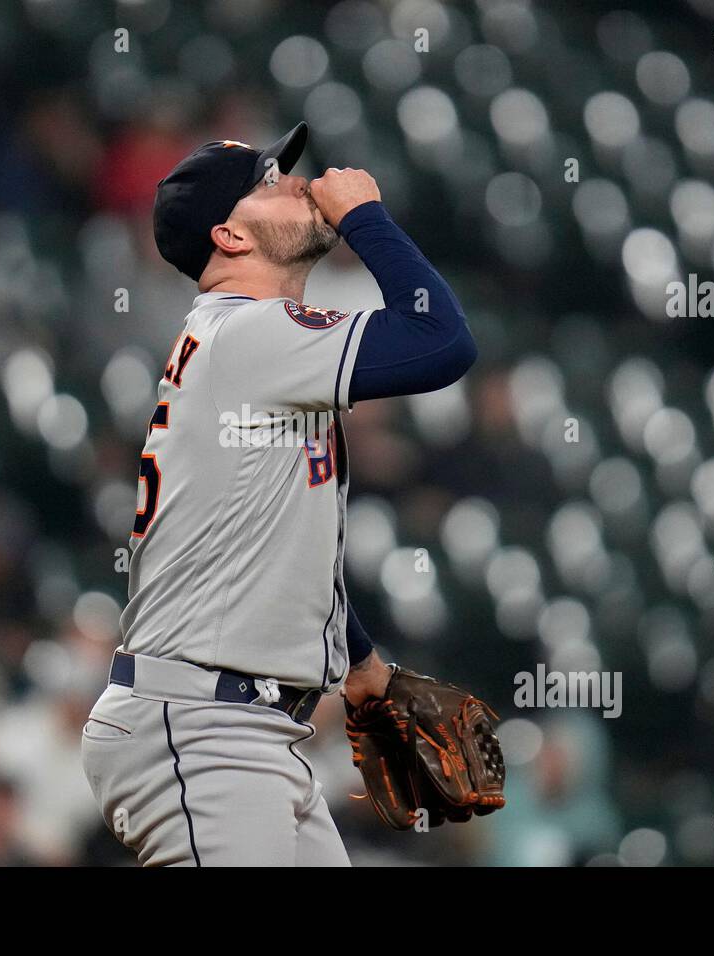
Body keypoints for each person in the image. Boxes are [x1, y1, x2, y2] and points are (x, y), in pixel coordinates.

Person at [80, 121, 477, 865]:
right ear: (229, 238)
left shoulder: (255, 346)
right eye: (269, 183)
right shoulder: (253, 336)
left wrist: (359, 663)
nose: (298, 184)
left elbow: (269, 543)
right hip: (200, 727)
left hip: (245, 730)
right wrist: (366, 215)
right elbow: (442, 340)